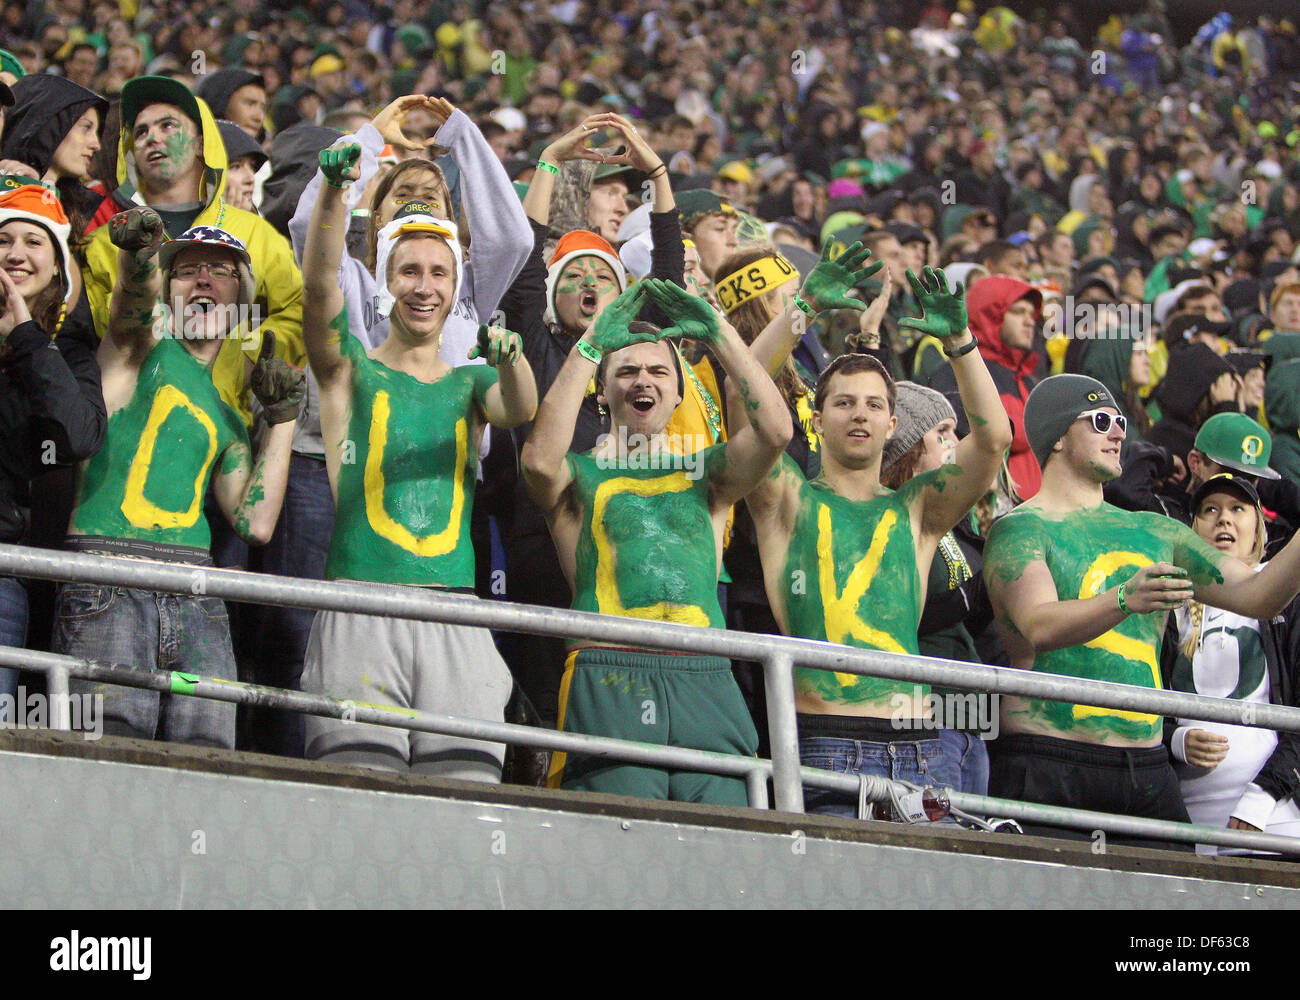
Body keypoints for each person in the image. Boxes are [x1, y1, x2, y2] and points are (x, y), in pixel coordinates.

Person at [298, 141, 537, 781]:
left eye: (440, 272)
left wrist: (511, 358)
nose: (424, 287)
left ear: (456, 284)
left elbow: (519, 408)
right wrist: (331, 194)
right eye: (408, 272)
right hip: (360, 613)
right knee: (358, 806)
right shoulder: (348, 371)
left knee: (465, 807)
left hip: (455, 617)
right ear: (382, 279)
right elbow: (320, 286)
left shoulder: (473, 381)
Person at [983, 374, 1300, 841]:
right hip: (1049, 760)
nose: (1118, 433)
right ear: (1056, 440)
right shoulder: (1020, 529)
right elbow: (1039, 626)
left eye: (1120, 422)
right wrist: (1123, 600)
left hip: (1147, 769)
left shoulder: (1158, 531)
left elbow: (1260, 595)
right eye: (1101, 421)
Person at [744, 267, 1012, 817]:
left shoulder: (917, 508)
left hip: (921, 748)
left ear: (893, 424)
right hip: (821, 743)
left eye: (872, 405)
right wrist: (803, 311)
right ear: (816, 420)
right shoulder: (785, 499)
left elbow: (993, 440)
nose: (859, 414)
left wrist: (961, 344)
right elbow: (740, 383)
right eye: (843, 403)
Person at [521, 278, 792, 804]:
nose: (642, 380)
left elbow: (775, 434)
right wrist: (591, 346)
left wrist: (718, 333)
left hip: (706, 669)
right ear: (602, 391)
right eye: (626, 371)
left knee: (725, 844)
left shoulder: (707, 474)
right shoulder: (577, 477)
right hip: (609, 668)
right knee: (622, 847)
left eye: (657, 371)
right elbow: (537, 461)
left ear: (678, 389)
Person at [54, 209, 302, 748]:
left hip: (197, 594)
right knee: (110, 759)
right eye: (188, 271)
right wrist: (140, 254)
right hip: (108, 575)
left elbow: (255, 524)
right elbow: (131, 304)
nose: (206, 279)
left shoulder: (228, 414)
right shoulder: (136, 349)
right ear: (169, 291)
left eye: (222, 270)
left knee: (207, 751)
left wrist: (281, 422)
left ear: (242, 302)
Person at [82, 75, 304, 430]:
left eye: (168, 125)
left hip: (226, 434)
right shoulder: (107, 243)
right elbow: (101, 333)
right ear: (132, 156)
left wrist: (243, 353)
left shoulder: (253, 233)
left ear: (203, 143)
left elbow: (296, 310)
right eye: (140, 133)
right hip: (129, 434)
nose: (152, 138)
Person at [0, 182, 105, 710]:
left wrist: (23, 335)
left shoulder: (72, 352)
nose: (16, 253)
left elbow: (79, 435)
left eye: (33, 242)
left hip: (13, 576)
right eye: (4, 239)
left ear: (59, 266)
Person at [1162, 473, 1300, 854]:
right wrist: (1176, 739)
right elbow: (1138, 703)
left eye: (1237, 508)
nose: (1223, 519)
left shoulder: (1288, 597)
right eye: (1210, 509)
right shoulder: (1167, 602)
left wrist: (1262, 797)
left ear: (1259, 530)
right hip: (1185, 818)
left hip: (1276, 817)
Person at [929, 275, 1045, 498]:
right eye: (1018, 312)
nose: (1030, 321)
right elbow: (944, 447)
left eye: (1032, 314)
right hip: (982, 511)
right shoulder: (958, 373)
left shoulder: (1029, 378)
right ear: (992, 315)